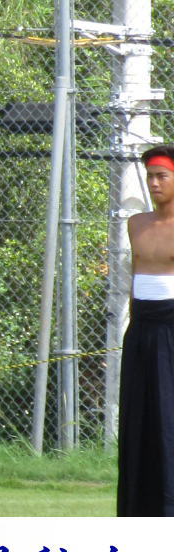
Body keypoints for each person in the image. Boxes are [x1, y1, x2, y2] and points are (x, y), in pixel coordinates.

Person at [119, 143, 174, 517]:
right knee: (138, 420)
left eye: (162, 176)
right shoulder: (135, 224)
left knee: (169, 421)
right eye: (150, 176)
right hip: (140, 332)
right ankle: (137, 512)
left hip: (172, 332)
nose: (154, 183)